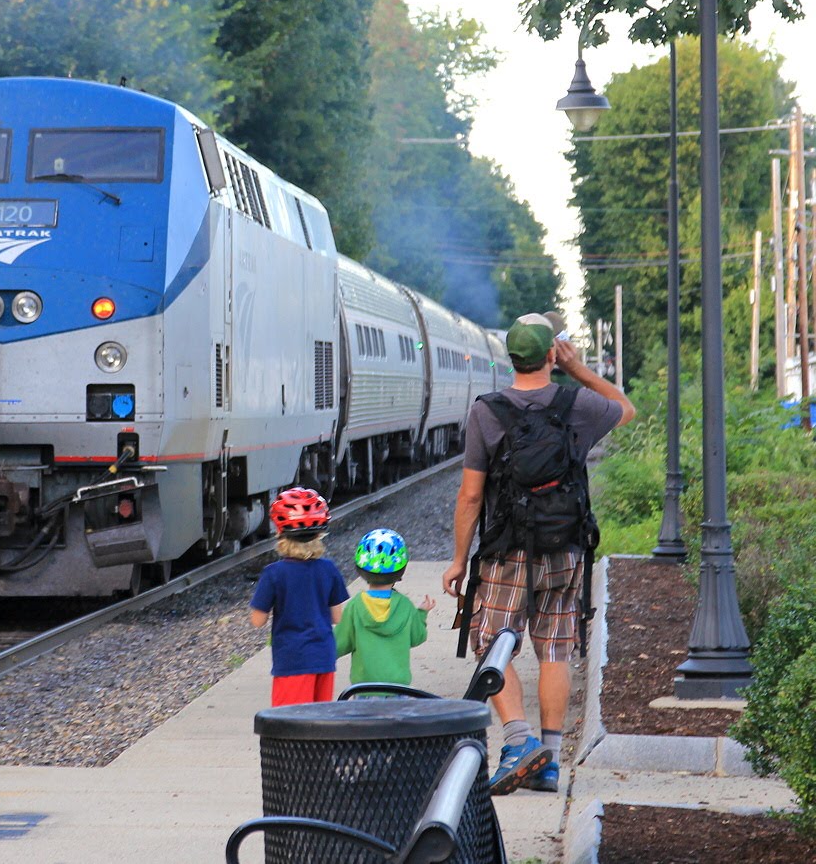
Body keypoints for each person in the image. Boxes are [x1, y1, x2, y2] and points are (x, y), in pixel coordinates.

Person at [443, 312, 634, 795]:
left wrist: (459, 560)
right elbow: (625, 408)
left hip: (507, 552)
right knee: (555, 649)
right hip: (565, 548)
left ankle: (518, 742)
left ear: (510, 358)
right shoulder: (577, 404)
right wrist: (579, 370)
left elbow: (469, 497)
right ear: (553, 354)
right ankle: (547, 761)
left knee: (492, 641)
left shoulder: (487, 411)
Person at [250, 487, 350, 706]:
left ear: (279, 532)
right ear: (319, 533)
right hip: (324, 658)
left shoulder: (274, 574)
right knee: (319, 723)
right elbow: (337, 617)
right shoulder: (329, 569)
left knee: (290, 725)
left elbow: (258, 621)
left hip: (292, 660)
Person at [335, 528, 436, 687]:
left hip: (364, 688)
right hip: (398, 688)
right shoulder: (405, 605)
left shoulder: (355, 606)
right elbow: (417, 637)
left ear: (361, 571)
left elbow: (340, 643)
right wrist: (422, 613)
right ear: (400, 570)